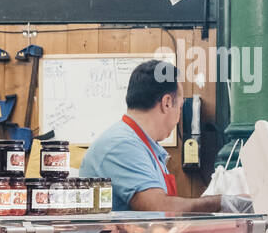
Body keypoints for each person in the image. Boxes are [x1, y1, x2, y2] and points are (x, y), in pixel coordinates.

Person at [79, 58, 241, 214]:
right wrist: (223, 202)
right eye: (181, 107)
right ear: (167, 103)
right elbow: (159, 208)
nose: (179, 116)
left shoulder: (143, 145)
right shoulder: (121, 145)